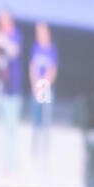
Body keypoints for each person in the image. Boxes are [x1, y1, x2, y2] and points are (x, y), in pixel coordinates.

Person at [0, 9, 22, 169]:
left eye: (2, 19)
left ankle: (12, 164)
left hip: (17, 87)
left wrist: (2, 41)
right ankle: (1, 162)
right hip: (2, 87)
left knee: (12, 127)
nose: (0, 22)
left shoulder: (15, 35)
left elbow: (15, 51)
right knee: (0, 126)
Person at [28, 21, 58, 159]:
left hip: (45, 89)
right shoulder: (35, 48)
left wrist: (43, 86)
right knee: (35, 119)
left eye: (41, 32)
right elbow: (32, 67)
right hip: (36, 88)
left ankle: (45, 150)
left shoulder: (51, 49)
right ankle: (34, 148)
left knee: (45, 119)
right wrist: (35, 85)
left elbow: (52, 70)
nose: (39, 35)